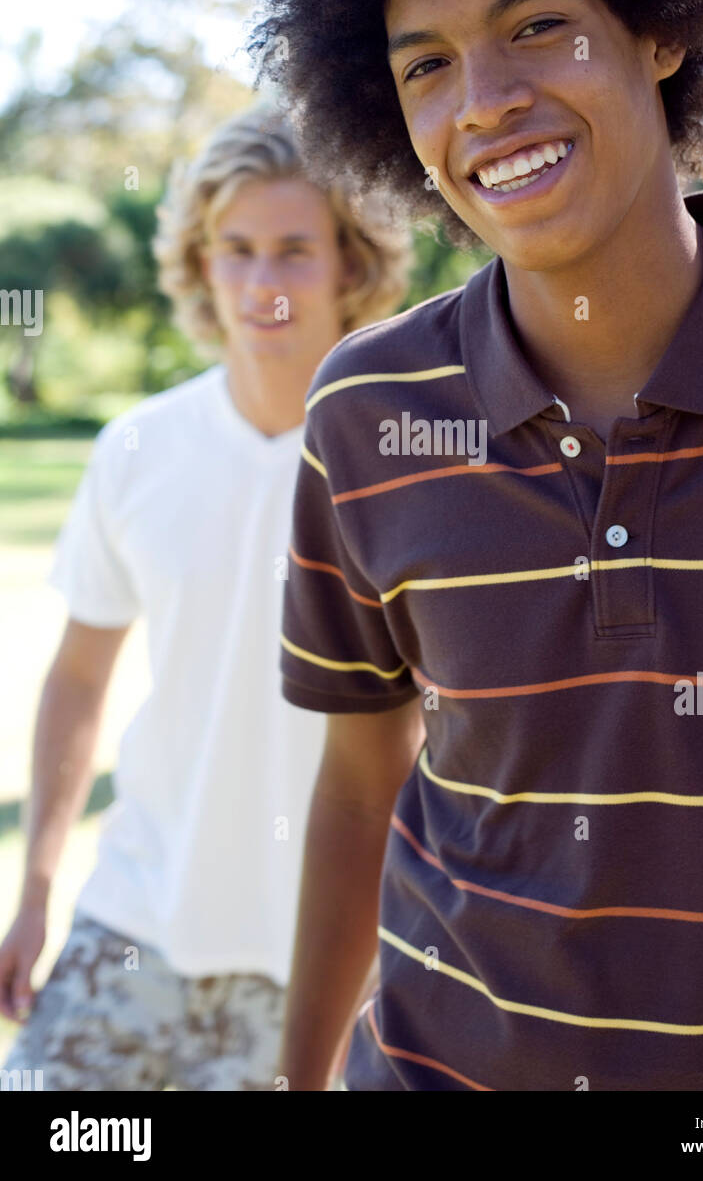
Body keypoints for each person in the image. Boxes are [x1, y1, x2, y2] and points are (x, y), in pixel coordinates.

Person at [221, 0, 703, 1092]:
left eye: (538, 28)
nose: (487, 103)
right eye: (426, 65)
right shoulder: (365, 412)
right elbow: (361, 787)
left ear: (658, 23)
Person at [0, 108, 410, 1090]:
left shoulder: (404, 453)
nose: (262, 283)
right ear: (200, 261)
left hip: (335, 948)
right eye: (235, 250)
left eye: (293, 250)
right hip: (142, 916)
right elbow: (78, 680)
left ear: (349, 265)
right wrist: (38, 886)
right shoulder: (137, 447)